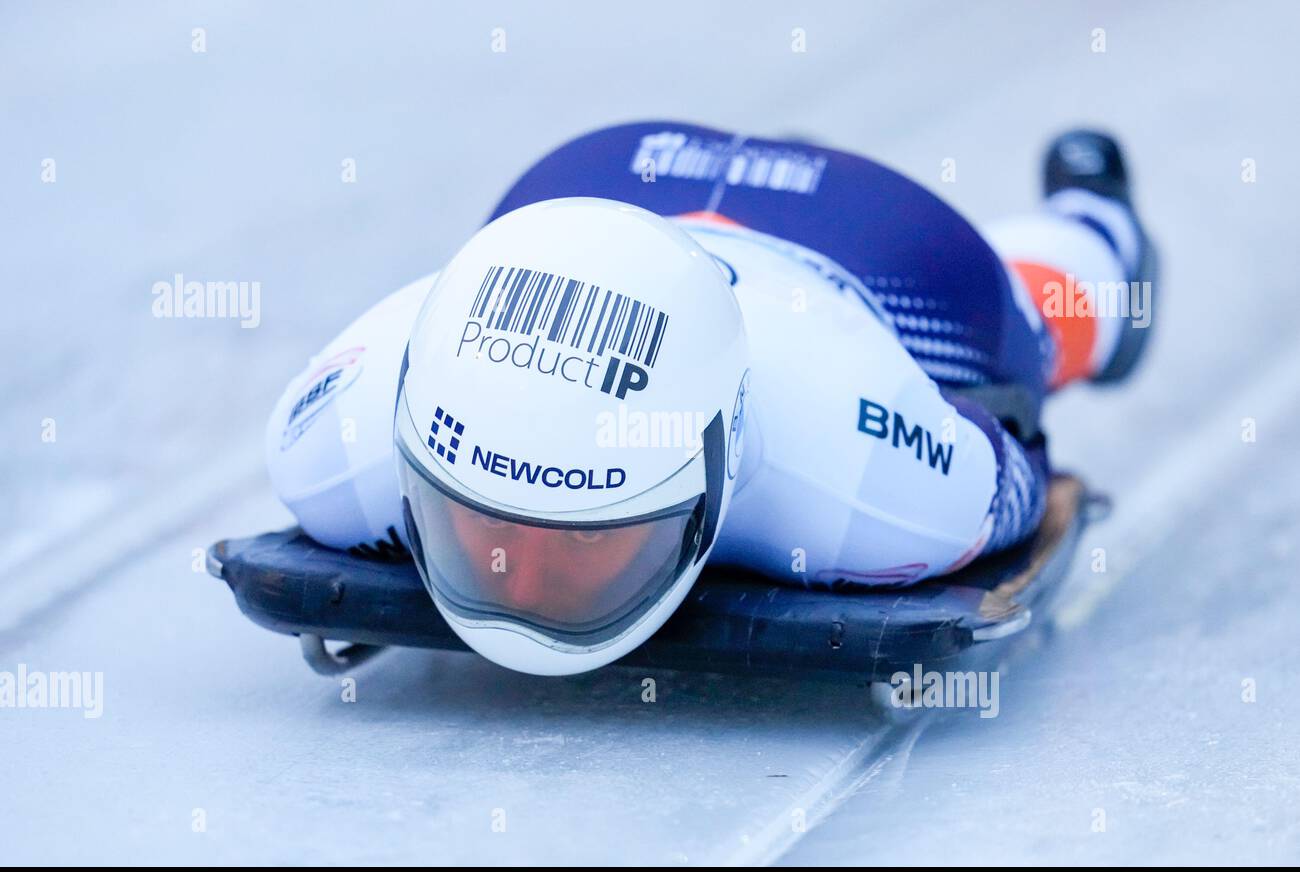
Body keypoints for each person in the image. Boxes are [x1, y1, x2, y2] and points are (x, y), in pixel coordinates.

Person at [266, 122, 1157, 675]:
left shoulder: (880, 486)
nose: (518, 586)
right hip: (601, 187)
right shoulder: (336, 440)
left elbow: (1014, 472)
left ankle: (1095, 220)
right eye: (479, 532)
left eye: (582, 549)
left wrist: (1011, 405)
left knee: (1049, 320)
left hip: (873, 248)